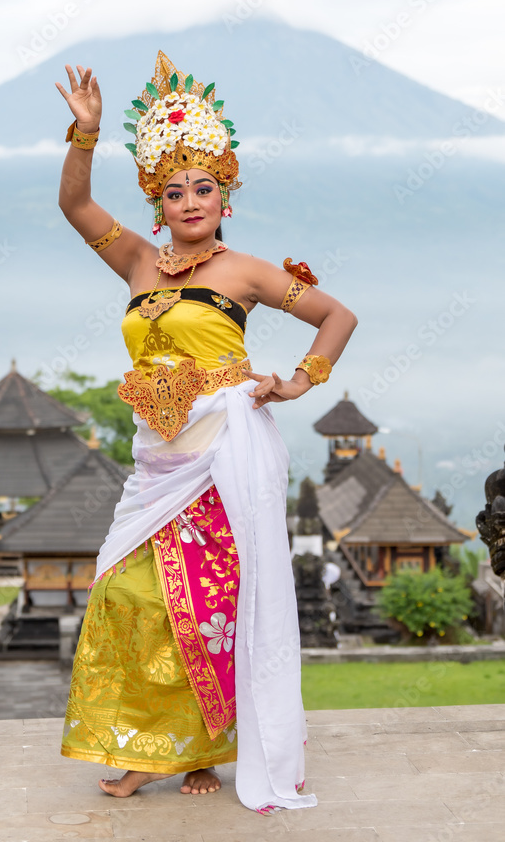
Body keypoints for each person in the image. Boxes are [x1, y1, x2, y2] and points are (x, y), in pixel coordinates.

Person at [55, 51, 357, 814]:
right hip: (157, 460)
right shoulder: (136, 261)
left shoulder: (244, 272)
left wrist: (298, 381)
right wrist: (86, 135)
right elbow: (75, 204)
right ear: (156, 203)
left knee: (212, 607)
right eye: (174, 190)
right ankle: (149, 744)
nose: (190, 201)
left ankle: (207, 752)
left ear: (225, 195)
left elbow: (335, 316)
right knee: (125, 593)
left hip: (225, 451)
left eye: (204, 188)